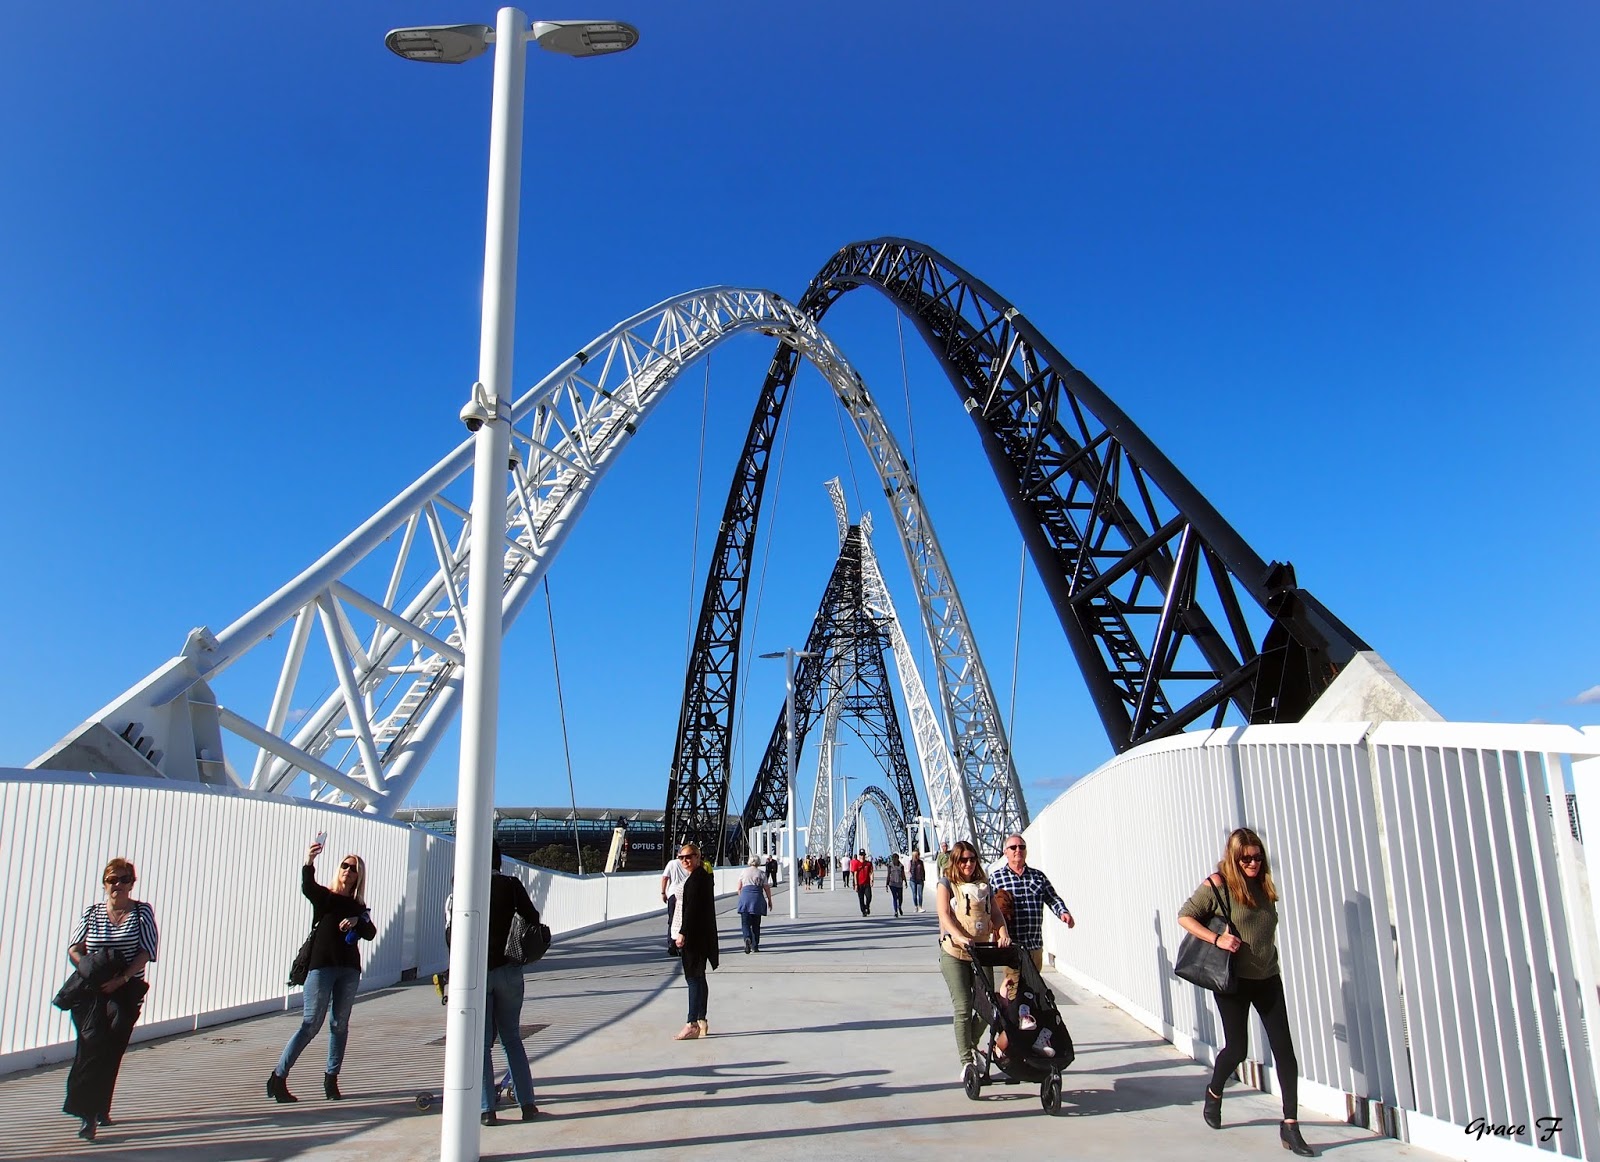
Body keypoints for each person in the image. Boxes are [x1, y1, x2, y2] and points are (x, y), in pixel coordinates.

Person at [1177, 827, 1314, 1158]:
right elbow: (1184, 917)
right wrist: (1217, 939)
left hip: (1268, 978)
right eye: (1246, 858)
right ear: (1233, 858)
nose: (1253, 863)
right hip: (1233, 981)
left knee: (1285, 1052)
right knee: (1237, 1049)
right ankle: (1214, 1091)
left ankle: (1291, 1125)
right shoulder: (1218, 885)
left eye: (1258, 856)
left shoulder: (1264, 885)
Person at [268, 842, 376, 1103]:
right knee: (310, 1023)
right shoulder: (326, 897)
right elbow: (307, 886)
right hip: (322, 967)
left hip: (348, 970)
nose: (348, 871)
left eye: (354, 869)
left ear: (359, 877)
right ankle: (278, 1077)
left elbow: (370, 933)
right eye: (345, 866)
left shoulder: (359, 907)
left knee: (339, 1025)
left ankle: (331, 1080)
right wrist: (309, 859)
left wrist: (356, 921)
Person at [63, 857, 159, 1142]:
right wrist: (89, 967)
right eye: (112, 880)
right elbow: (75, 948)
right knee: (91, 1048)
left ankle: (100, 1107)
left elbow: (147, 950)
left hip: (125, 991)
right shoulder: (92, 913)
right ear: (104, 883)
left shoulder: (141, 912)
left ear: (132, 882)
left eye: (124, 879)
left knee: (112, 1050)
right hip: (93, 991)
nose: (118, 885)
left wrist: (123, 977)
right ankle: (88, 1115)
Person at [936, 840, 1010, 1077]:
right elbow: (944, 914)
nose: (968, 863)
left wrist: (1003, 932)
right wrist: (958, 935)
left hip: (981, 952)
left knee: (988, 1007)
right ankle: (967, 1060)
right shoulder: (946, 884)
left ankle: (969, 1044)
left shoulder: (984, 886)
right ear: (955, 862)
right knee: (963, 1007)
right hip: (955, 954)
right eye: (963, 860)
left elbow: (996, 914)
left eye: (972, 859)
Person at [481, 842, 540, 1127]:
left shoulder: (465, 886)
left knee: (480, 1045)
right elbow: (534, 919)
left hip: (478, 973)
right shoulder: (512, 885)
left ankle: (486, 1109)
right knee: (511, 1038)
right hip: (509, 970)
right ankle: (527, 1103)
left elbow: (450, 933)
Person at [988, 834, 1074, 1000]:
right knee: (1014, 992)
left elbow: (1052, 898)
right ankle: (1010, 1025)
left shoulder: (1038, 877)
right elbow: (987, 907)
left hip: (1034, 945)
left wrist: (1063, 912)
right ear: (1005, 852)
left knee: (1032, 991)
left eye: (1021, 847)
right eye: (1013, 847)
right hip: (1012, 946)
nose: (1017, 850)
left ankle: (1022, 1023)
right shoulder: (996, 878)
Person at [671, 843, 719, 1038]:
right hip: (702, 934)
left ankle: (691, 1022)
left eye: (689, 856)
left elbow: (691, 910)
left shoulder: (696, 879)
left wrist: (682, 932)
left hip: (694, 935)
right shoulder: (702, 877)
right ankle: (701, 1020)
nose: (685, 860)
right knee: (699, 977)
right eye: (681, 857)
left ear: (698, 857)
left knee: (692, 978)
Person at [736, 856, 773, 953]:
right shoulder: (761, 873)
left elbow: (739, 888)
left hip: (745, 898)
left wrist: (742, 897)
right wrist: (769, 900)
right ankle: (755, 945)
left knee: (745, 923)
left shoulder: (744, 872)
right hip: (757, 899)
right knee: (756, 924)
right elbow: (766, 888)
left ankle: (747, 937)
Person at [661, 849, 690, 958]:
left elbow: (665, 878)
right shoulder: (688, 864)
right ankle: (681, 945)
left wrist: (663, 892)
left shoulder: (672, 863)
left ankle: (672, 945)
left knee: (672, 920)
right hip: (685, 893)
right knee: (683, 919)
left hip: (673, 893)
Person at [850, 850, 874, 915]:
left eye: (863, 855)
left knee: (869, 897)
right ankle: (863, 911)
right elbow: (855, 874)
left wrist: (872, 880)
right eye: (861, 855)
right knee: (861, 899)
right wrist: (855, 884)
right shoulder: (857, 864)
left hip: (867, 883)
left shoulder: (868, 864)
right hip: (859, 884)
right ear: (859, 856)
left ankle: (867, 906)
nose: (862, 856)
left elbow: (871, 872)